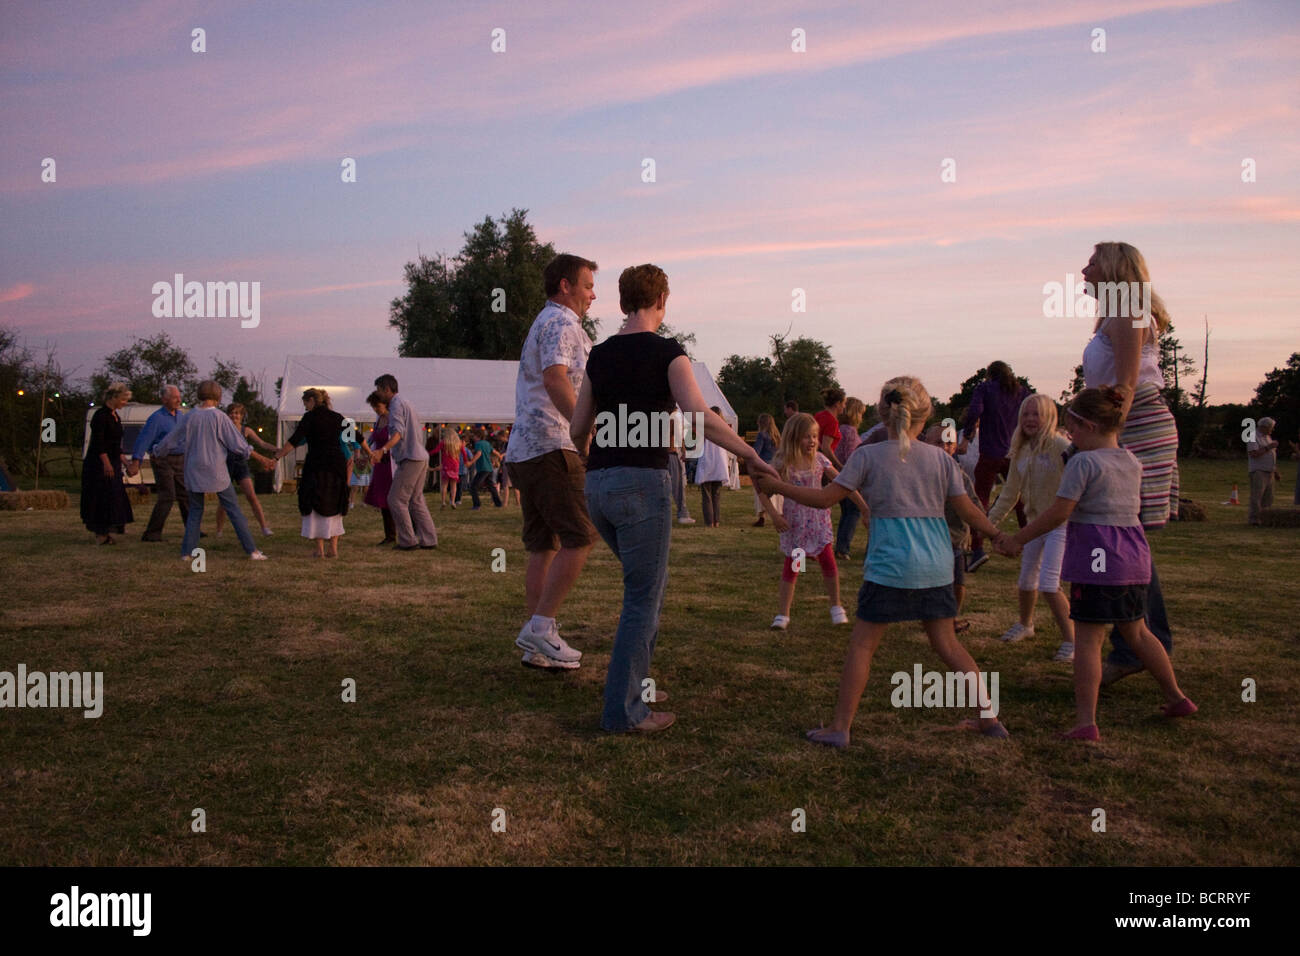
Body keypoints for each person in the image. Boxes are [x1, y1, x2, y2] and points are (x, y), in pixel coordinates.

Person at [570, 263, 780, 732]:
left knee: (649, 588)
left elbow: (577, 428)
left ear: (624, 301)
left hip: (599, 485)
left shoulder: (599, 355)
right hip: (642, 483)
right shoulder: (669, 353)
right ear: (661, 300)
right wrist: (750, 455)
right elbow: (699, 416)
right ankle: (624, 713)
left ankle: (637, 686)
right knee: (642, 596)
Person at [755, 376, 1013, 748]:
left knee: (862, 647)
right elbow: (968, 510)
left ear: (882, 414)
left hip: (889, 568)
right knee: (948, 645)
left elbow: (825, 499)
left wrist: (778, 488)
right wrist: (998, 535)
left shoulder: (866, 455)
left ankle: (840, 728)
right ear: (924, 418)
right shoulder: (941, 458)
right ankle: (989, 718)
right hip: (936, 567)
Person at [1001, 386, 1196, 740]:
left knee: (1088, 642)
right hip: (1135, 557)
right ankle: (1176, 695)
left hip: (1098, 558)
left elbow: (1060, 511)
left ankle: (1085, 722)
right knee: (1137, 632)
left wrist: (1018, 538)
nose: (1069, 434)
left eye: (1072, 427)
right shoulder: (1131, 460)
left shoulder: (1083, 462)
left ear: (1088, 425)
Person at [1078, 242, 1178, 684]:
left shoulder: (1128, 312)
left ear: (1114, 268)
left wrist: (1102, 438)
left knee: (1120, 530)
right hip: (1120, 424)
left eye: (1093, 262)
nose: (1084, 268)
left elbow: (1125, 385)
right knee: (1121, 532)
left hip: (1134, 424)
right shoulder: (1116, 314)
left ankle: (1136, 642)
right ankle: (1137, 641)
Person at [504, 253, 600, 670]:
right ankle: (541, 628)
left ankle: (535, 643)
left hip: (526, 448)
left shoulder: (542, 322)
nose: (593, 295)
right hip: (551, 444)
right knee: (581, 535)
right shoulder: (562, 322)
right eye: (588, 286)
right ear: (565, 286)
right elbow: (556, 377)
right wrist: (582, 432)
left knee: (544, 545)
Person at [757, 413, 865, 630]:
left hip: (818, 525)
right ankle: (783, 614)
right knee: (794, 567)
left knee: (828, 562)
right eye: (807, 436)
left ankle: (836, 607)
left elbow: (843, 483)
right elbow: (762, 491)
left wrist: (864, 507)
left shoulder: (821, 461)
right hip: (797, 527)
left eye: (815, 436)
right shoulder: (783, 464)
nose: (813, 441)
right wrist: (774, 515)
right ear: (794, 437)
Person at [986, 394, 1075, 661]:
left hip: (1061, 524)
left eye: (1037, 414)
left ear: (1049, 417)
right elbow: (1009, 492)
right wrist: (988, 524)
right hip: (1035, 524)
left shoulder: (1062, 447)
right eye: (1026, 414)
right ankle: (1026, 624)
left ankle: (1072, 640)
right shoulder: (1021, 450)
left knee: (1049, 583)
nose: (1030, 420)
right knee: (1026, 581)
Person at [155, 380, 273, 561]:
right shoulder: (219, 417)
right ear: (218, 396)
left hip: (193, 469)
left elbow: (171, 438)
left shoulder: (189, 416)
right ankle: (252, 550)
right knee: (233, 509)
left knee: (195, 511)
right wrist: (255, 455)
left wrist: (158, 450)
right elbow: (237, 443)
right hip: (216, 471)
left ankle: (188, 553)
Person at [958, 361, 1029, 571]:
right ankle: (1029, 543)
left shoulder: (985, 388)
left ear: (990, 374)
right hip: (1015, 452)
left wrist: (969, 433)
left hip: (990, 451)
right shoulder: (1021, 392)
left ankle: (978, 548)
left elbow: (975, 410)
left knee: (980, 498)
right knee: (1021, 498)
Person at [272, 388, 349, 558]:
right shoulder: (337, 417)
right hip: (336, 467)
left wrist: (276, 457)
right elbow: (357, 437)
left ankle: (320, 549)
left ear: (312, 400)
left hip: (316, 466)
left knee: (315, 503)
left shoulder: (310, 418)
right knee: (335, 504)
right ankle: (333, 548)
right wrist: (370, 452)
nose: (305, 407)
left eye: (305, 403)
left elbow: (294, 440)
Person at [370, 374, 438, 551]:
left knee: (395, 499)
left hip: (410, 458)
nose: (377, 394)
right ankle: (429, 539)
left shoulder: (395, 406)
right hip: (420, 456)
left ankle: (408, 540)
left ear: (386, 389)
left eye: (379, 390)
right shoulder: (407, 402)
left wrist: (382, 450)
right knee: (416, 500)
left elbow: (398, 433)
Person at [922, 424, 977, 635]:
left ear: (955, 447)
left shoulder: (959, 475)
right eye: (938, 442)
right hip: (928, 537)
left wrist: (983, 528)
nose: (944, 447)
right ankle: (931, 615)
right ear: (925, 443)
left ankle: (953, 616)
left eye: (949, 443)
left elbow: (973, 505)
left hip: (954, 536)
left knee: (957, 579)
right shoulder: (920, 473)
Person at [132, 384, 189, 542]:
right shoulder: (157, 419)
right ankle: (152, 533)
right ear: (164, 399)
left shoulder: (181, 417)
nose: (179, 400)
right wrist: (136, 461)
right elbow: (144, 439)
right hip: (162, 459)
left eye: (179, 396)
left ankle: (193, 529)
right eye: (174, 397)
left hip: (180, 459)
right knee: (168, 495)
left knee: (185, 494)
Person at [81, 382, 135, 544]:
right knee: (101, 497)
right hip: (99, 464)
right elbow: (99, 442)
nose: (125, 403)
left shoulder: (115, 416)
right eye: (123, 400)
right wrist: (106, 463)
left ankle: (112, 528)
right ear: (114, 398)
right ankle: (101, 534)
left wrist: (126, 462)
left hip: (113, 460)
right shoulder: (101, 416)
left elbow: (115, 444)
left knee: (114, 496)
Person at [214, 403, 277, 538]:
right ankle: (219, 530)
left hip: (241, 465)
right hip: (226, 465)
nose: (234, 416)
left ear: (242, 416)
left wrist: (278, 450)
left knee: (252, 496)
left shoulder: (246, 430)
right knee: (224, 501)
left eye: (237, 413)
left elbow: (262, 443)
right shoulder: (223, 429)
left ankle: (264, 527)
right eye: (232, 413)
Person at [360, 392, 396, 544]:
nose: (375, 409)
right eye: (374, 407)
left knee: (395, 500)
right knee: (383, 502)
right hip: (380, 465)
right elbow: (373, 440)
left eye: (378, 406)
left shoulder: (394, 420)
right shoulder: (378, 420)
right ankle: (390, 535)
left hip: (391, 464)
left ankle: (408, 531)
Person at [834, 398, 866, 559]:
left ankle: (840, 546)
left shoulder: (840, 429)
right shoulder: (851, 432)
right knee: (852, 513)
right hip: (850, 478)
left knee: (846, 513)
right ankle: (843, 548)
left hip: (839, 476)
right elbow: (850, 456)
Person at [694, 406, 732, 527]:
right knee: (716, 494)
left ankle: (709, 521)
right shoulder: (724, 428)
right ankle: (716, 521)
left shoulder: (705, 427)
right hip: (719, 463)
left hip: (707, 460)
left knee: (707, 494)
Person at [1246, 417, 1279, 525]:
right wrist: (1268, 447)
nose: (1272, 430)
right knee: (1257, 497)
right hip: (1259, 471)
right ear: (1264, 427)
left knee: (1268, 497)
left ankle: (1265, 519)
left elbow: (1271, 455)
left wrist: (1276, 471)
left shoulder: (1267, 437)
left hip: (1269, 471)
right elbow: (1253, 454)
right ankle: (1254, 519)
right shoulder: (1252, 436)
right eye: (1271, 428)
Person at [751, 413, 780, 528]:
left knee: (761, 492)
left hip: (763, 466)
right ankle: (776, 515)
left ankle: (762, 516)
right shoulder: (777, 436)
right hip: (775, 466)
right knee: (775, 493)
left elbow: (756, 453)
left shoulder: (761, 435)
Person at [668, 408, 695, 525]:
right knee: (678, 485)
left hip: (661, 454)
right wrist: (684, 450)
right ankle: (682, 514)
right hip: (671, 453)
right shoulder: (674, 418)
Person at [466, 427, 503, 509]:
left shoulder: (478, 444)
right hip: (489, 468)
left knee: (473, 486)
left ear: (478, 436)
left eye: (474, 435)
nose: (473, 437)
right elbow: (494, 451)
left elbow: (479, 453)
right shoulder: (486, 443)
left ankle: (477, 505)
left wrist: (471, 462)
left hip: (483, 468)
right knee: (491, 487)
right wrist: (500, 456)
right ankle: (498, 504)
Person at [427, 426, 462, 509]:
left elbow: (435, 451)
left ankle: (443, 502)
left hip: (446, 465)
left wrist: (427, 453)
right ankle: (453, 502)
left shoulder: (443, 442)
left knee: (444, 484)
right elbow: (463, 453)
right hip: (455, 466)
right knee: (454, 485)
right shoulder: (458, 443)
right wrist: (466, 460)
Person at [814, 387, 846, 469]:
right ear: (838, 404)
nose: (844, 406)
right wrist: (839, 466)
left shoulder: (818, 415)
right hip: (822, 464)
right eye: (844, 403)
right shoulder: (832, 421)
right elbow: (826, 448)